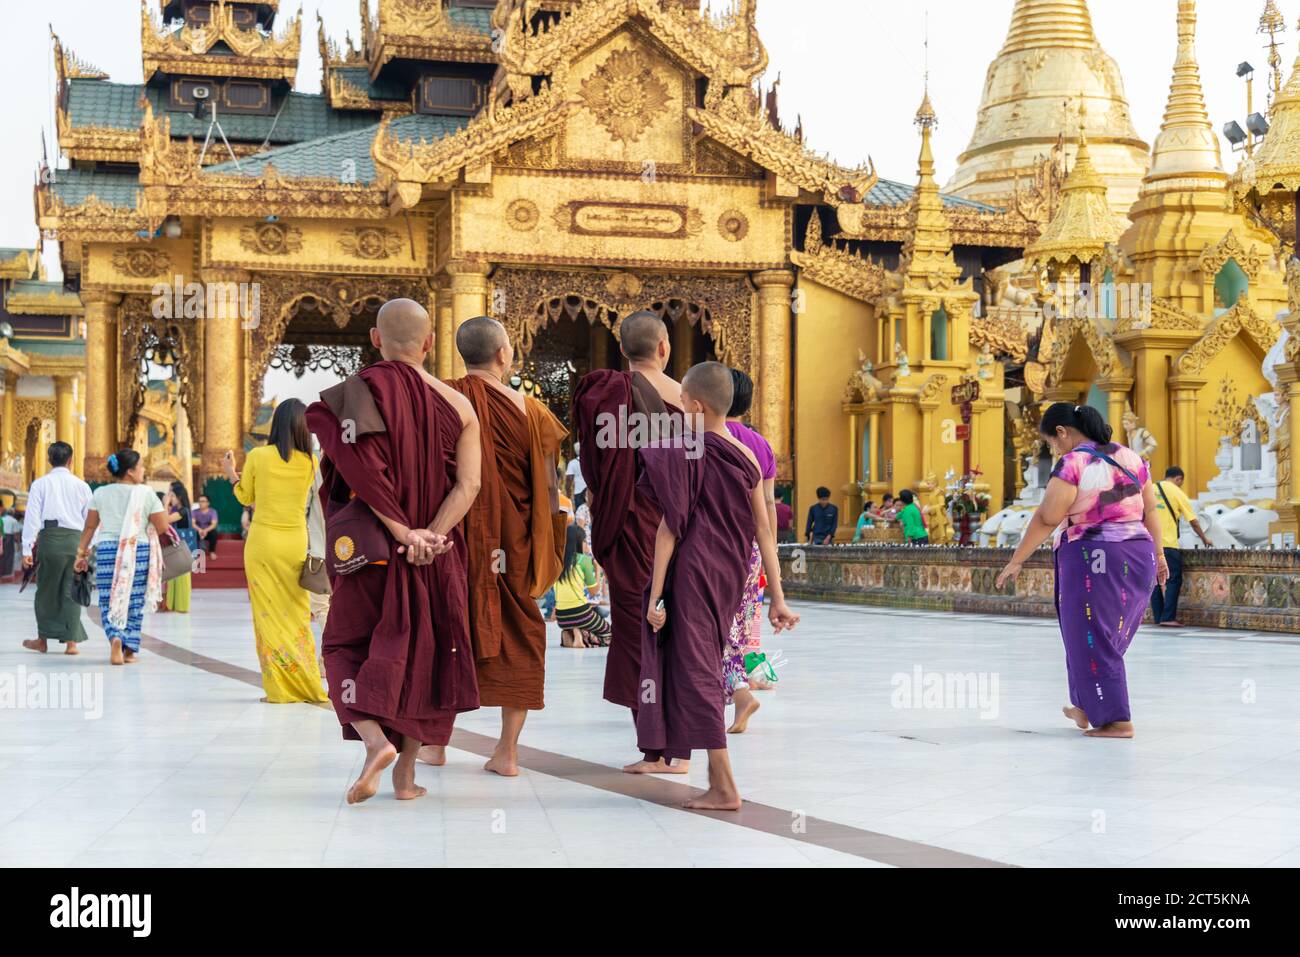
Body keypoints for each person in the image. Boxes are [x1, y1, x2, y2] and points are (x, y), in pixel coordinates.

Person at [305, 298, 481, 805]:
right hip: (438, 553)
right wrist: (431, 535)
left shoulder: (358, 393)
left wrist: (404, 533)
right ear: (429, 343)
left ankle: (374, 740)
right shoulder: (460, 405)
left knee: (342, 647)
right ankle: (405, 779)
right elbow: (468, 486)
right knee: (421, 654)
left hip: (375, 552)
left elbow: (360, 474)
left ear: (375, 339)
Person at [637, 362, 799, 808]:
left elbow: (669, 529)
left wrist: (654, 595)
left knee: (698, 669)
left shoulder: (685, 452)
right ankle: (714, 776)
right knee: (705, 662)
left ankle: (724, 785)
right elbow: (765, 531)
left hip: (690, 572)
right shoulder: (748, 456)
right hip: (730, 575)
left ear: (694, 405)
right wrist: (777, 599)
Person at [433, 316, 567, 778]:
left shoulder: (443, 399)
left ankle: (434, 744)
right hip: (515, 546)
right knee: (522, 637)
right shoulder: (534, 414)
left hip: (455, 541)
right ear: (504, 355)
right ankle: (506, 751)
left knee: (447, 632)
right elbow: (550, 492)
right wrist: (549, 541)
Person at [996, 403, 1165, 739]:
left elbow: (1048, 516)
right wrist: (1159, 555)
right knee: (1095, 632)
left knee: (1092, 634)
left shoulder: (1074, 462)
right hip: (1138, 552)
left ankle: (1116, 720)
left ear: (1063, 431)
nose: (1053, 449)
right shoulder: (1132, 458)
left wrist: (1017, 559)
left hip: (1094, 555)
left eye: (1050, 442)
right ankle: (1087, 705)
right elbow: (1150, 511)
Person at [572, 311, 686, 772]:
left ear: (623, 351)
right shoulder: (689, 398)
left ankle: (658, 748)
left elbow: (596, 473)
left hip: (630, 526)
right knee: (679, 634)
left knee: (639, 631)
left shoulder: (605, 394)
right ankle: (677, 745)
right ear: (664, 348)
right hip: (678, 530)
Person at [223, 400, 328, 705]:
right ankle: (307, 684)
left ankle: (280, 688)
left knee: (268, 616)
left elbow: (245, 496)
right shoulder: (311, 462)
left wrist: (231, 473)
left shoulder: (258, 456)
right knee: (296, 614)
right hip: (295, 540)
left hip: (263, 542)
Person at [73, 449, 171, 665]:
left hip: (107, 550)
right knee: (134, 600)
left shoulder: (100, 493)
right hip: (138, 550)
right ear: (129, 472)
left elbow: (90, 527)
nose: (144, 470)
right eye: (141, 467)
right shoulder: (146, 493)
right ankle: (129, 650)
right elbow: (163, 526)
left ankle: (115, 637)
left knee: (108, 598)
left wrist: (80, 554)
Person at [722, 368, 777, 734]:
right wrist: (768, 555)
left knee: (712, 623)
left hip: (715, 545)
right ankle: (738, 685)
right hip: (752, 548)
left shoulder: (705, 436)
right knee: (739, 625)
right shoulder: (760, 443)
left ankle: (736, 688)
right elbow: (769, 502)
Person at [20, 442, 92, 655]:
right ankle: (71, 643)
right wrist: (88, 547)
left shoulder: (40, 484)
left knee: (45, 591)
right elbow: (91, 520)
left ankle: (42, 640)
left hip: (49, 540)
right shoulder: (82, 486)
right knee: (72, 588)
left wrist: (27, 550)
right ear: (71, 460)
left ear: (50, 460)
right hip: (75, 541)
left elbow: (32, 519)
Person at [1150, 465, 1210, 628]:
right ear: (1178, 479)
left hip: (1149, 543)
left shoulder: (1149, 488)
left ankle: (1158, 616)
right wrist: (1204, 538)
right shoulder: (1176, 492)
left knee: (1155, 579)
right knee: (1173, 579)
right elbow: (1193, 520)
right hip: (1168, 544)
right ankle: (1168, 616)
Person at [554, 523, 612, 648]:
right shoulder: (583, 560)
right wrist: (598, 570)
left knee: (584, 612)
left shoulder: (557, 561)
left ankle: (573, 632)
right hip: (581, 614)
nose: (587, 544)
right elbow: (593, 591)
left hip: (562, 618)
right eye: (585, 540)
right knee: (610, 634)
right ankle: (582, 638)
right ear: (579, 542)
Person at [161, 481, 197, 614]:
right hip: (181, 547)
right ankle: (174, 604)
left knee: (181, 575)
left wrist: (165, 503)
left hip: (181, 548)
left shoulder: (183, 511)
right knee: (177, 575)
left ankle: (180, 605)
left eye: (173, 497)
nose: (171, 499)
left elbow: (165, 520)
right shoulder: (182, 510)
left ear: (179, 497)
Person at [565, 442, 587, 509]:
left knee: (579, 513)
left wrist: (568, 497)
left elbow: (569, 481)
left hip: (578, 492)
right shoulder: (590, 462)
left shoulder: (572, 463)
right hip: (589, 491)